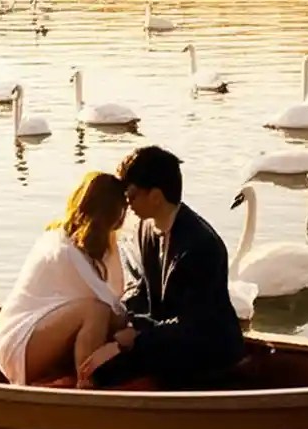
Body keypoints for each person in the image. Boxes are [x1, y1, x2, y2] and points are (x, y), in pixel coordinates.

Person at [81, 145, 245, 389]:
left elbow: (193, 323)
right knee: (100, 360)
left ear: (156, 196)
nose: (127, 204)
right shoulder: (146, 228)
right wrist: (120, 315)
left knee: (107, 372)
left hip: (205, 347)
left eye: (132, 195)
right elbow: (145, 289)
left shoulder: (200, 246)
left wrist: (132, 340)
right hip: (165, 337)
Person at [0, 171, 130, 388]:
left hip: (43, 332)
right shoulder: (65, 250)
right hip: (19, 343)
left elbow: (117, 293)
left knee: (105, 316)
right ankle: (86, 385)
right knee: (97, 312)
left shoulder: (90, 244)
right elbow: (112, 306)